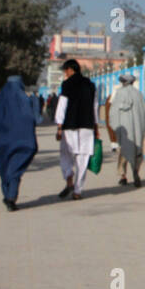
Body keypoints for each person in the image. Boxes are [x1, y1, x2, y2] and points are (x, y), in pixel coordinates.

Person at [0, 72, 38, 211]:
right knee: (15, 170)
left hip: (0, 143)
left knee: (5, 170)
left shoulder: (0, 101)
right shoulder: (24, 100)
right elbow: (33, 119)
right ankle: (11, 197)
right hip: (22, 143)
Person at [55, 59, 99, 200]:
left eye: (65, 70)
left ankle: (69, 179)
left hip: (70, 126)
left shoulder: (67, 84)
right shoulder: (91, 85)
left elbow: (62, 106)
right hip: (87, 126)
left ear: (69, 70)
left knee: (66, 154)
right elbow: (95, 107)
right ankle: (78, 190)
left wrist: (59, 126)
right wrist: (96, 126)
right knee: (83, 157)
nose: (65, 73)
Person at [105, 71, 145, 187]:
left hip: (124, 130)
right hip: (138, 129)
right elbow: (144, 111)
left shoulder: (118, 93)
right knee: (137, 151)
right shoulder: (139, 94)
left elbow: (112, 112)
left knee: (123, 151)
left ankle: (123, 176)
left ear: (123, 82)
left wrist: (114, 128)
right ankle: (136, 172)